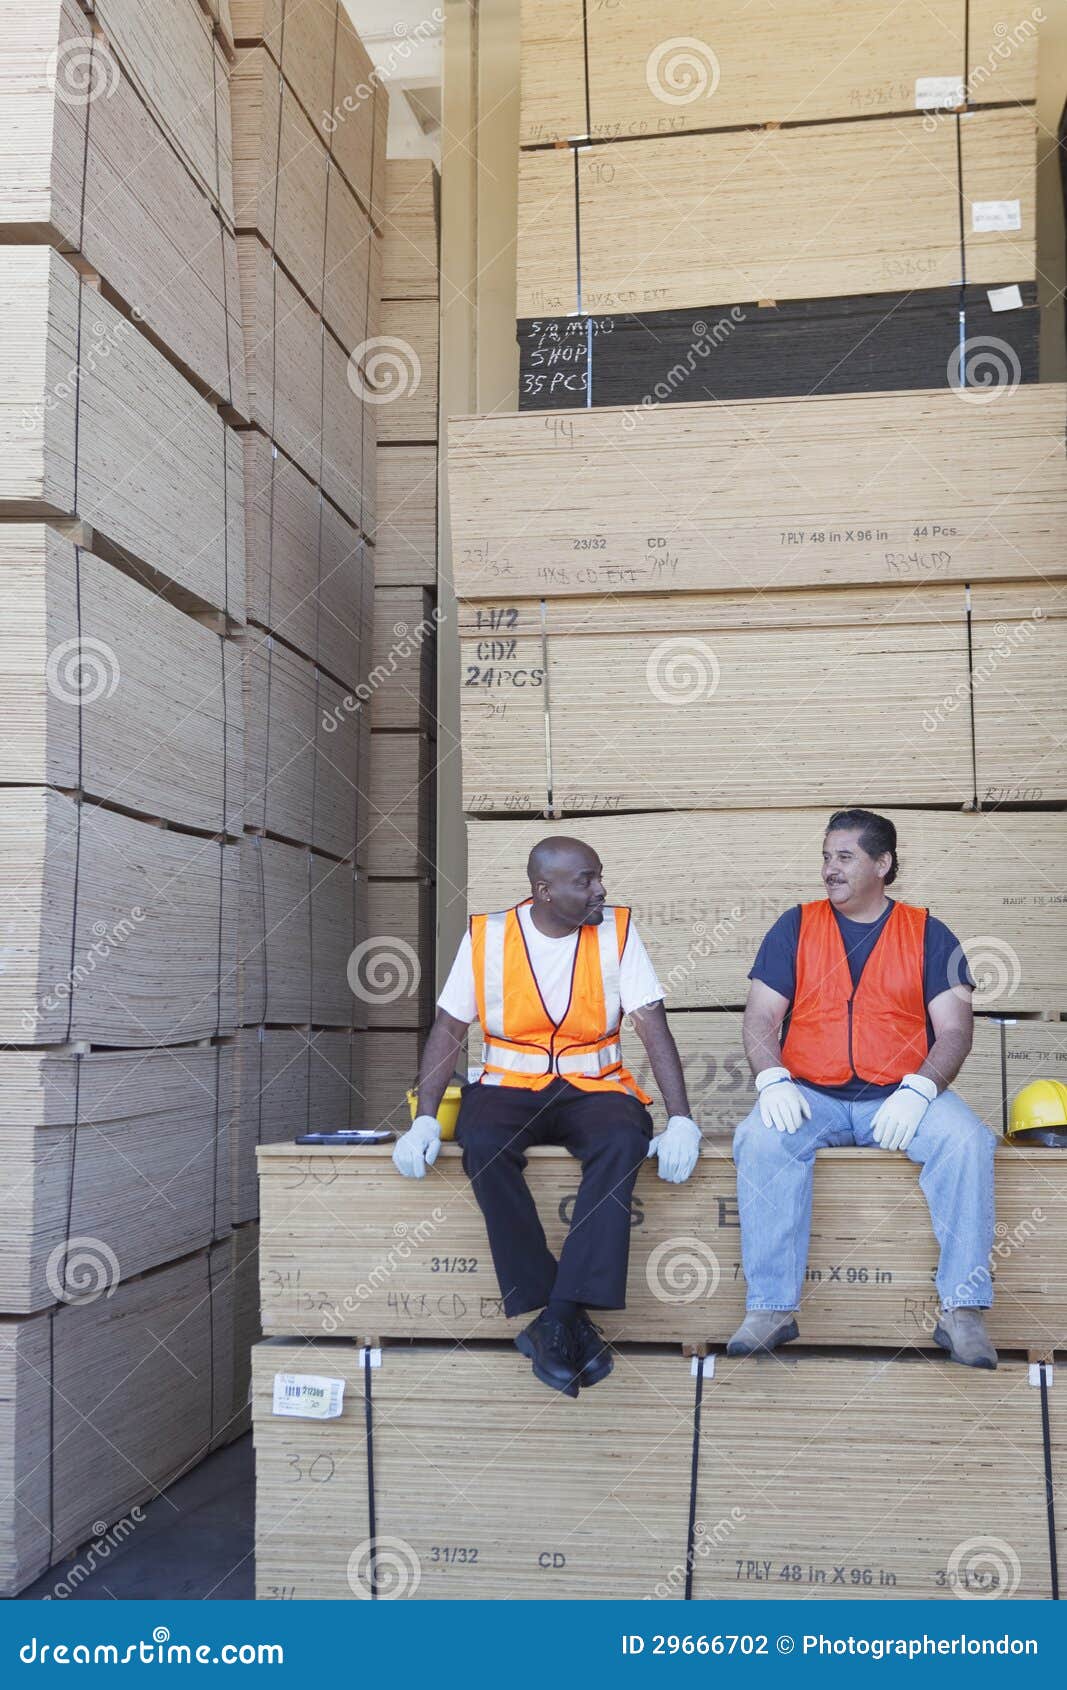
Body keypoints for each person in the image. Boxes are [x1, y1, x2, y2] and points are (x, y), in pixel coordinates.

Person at [392, 836, 702, 1397]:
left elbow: (652, 1025)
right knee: (482, 1143)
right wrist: (424, 1118)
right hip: (508, 1087)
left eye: (599, 876)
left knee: (623, 1139)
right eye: (585, 880)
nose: (600, 889)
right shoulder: (487, 936)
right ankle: (562, 1314)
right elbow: (448, 1028)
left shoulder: (618, 931)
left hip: (595, 1086)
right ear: (544, 890)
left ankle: (556, 1317)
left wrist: (681, 1117)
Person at [728, 808, 997, 1369]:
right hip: (811, 1096)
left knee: (967, 1139)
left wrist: (921, 1089)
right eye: (826, 856)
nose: (830, 868)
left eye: (844, 857)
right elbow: (759, 1018)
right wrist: (772, 1079)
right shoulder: (795, 926)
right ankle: (771, 1308)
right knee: (759, 1138)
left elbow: (955, 1031)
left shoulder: (928, 933)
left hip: (901, 1097)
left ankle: (963, 1310)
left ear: (883, 863)